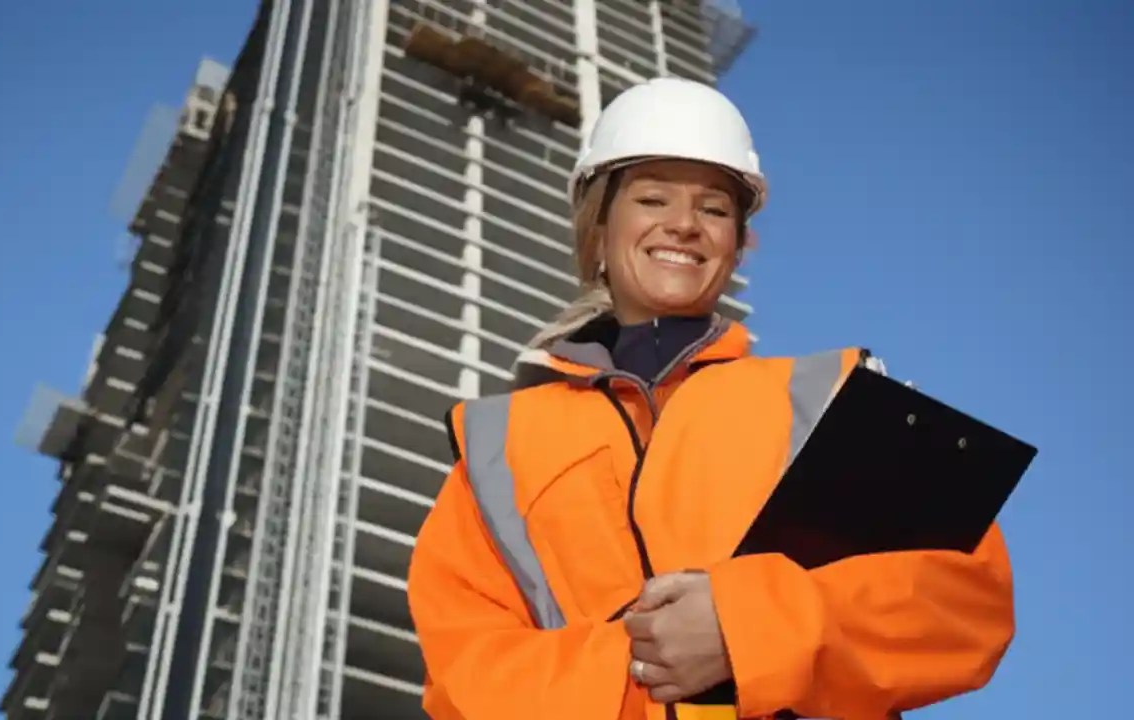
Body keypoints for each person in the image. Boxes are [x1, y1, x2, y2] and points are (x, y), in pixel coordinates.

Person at [406, 77, 1014, 720]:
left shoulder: (829, 395)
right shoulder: (499, 447)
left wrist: (745, 631)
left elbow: (961, 600)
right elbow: (464, 680)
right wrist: (646, 663)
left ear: (736, 241)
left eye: (714, 208)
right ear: (599, 229)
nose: (684, 225)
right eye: (652, 198)